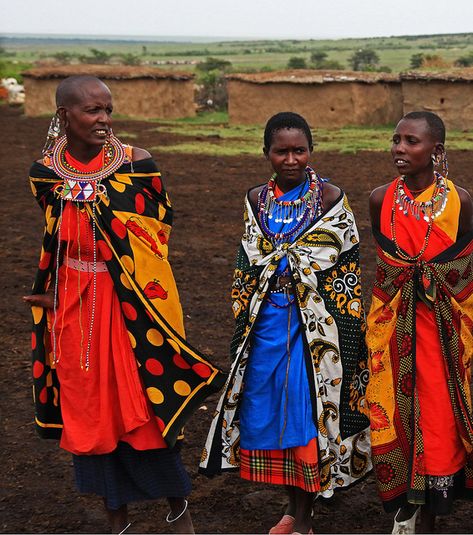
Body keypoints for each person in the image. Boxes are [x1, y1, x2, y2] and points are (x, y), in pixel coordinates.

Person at [23, 75, 226, 534]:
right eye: (93, 111)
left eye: (108, 110)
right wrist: (49, 287)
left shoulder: (138, 164)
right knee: (88, 404)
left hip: (132, 299)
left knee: (144, 396)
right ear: (64, 116)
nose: (104, 120)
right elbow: (54, 236)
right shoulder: (45, 172)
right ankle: (117, 517)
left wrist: (103, 207)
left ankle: (178, 509)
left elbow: (159, 227)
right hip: (75, 303)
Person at [200, 112, 371, 534]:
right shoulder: (256, 199)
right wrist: (249, 306)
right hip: (266, 326)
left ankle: (305, 515)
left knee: (306, 415)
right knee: (266, 412)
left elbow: (345, 268)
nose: (291, 159)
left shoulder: (332, 199)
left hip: (314, 331)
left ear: (311, 151)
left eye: (300, 150)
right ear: (266, 154)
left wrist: (293, 270)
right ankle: (291, 508)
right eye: (282, 151)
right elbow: (247, 261)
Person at [366, 111, 473, 534]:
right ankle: (408, 504)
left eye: (411, 141)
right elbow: (387, 268)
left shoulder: (462, 202)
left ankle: (433, 507)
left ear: (437, 150)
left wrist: (432, 281)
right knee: (399, 410)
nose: (400, 149)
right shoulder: (380, 199)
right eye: (396, 140)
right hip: (396, 331)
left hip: (445, 333)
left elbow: (464, 271)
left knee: (441, 414)